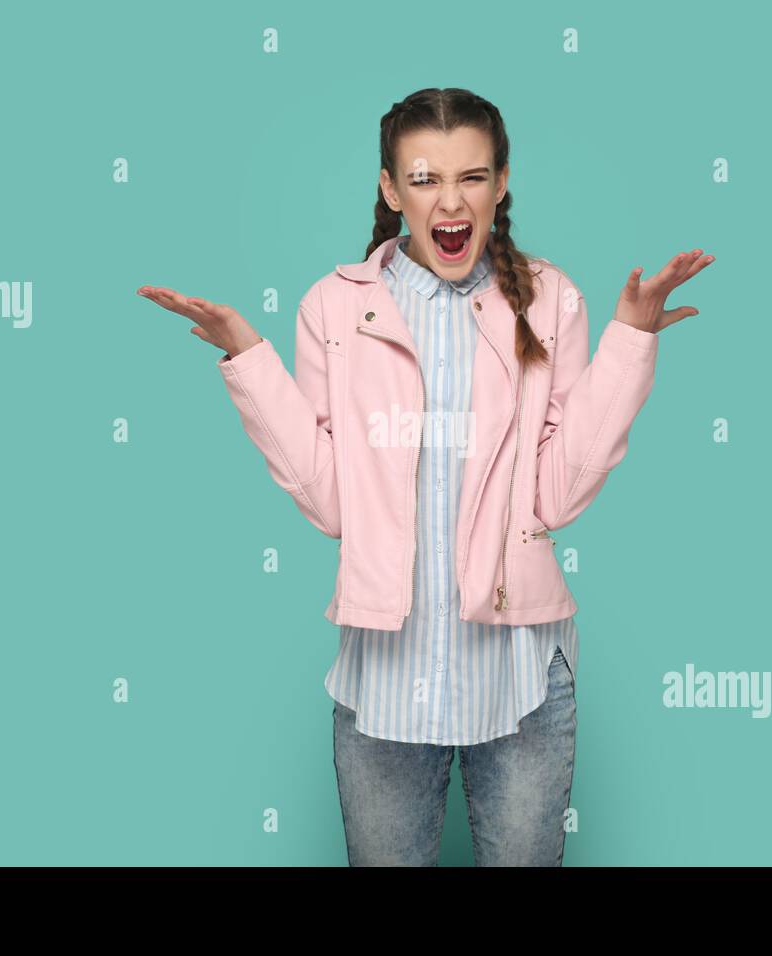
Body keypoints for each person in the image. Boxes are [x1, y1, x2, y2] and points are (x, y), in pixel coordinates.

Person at [137, 87, 713, 866]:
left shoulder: (549, 299)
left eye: (472, 177)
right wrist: (247, 354)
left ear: (501, 183)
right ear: (390, 189)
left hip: (522, 685)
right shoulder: (334, 310)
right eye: (424, 178)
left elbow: (558, 494)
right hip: (382, 687)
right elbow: (331, 501)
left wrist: (632, 342)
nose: (450, 200)